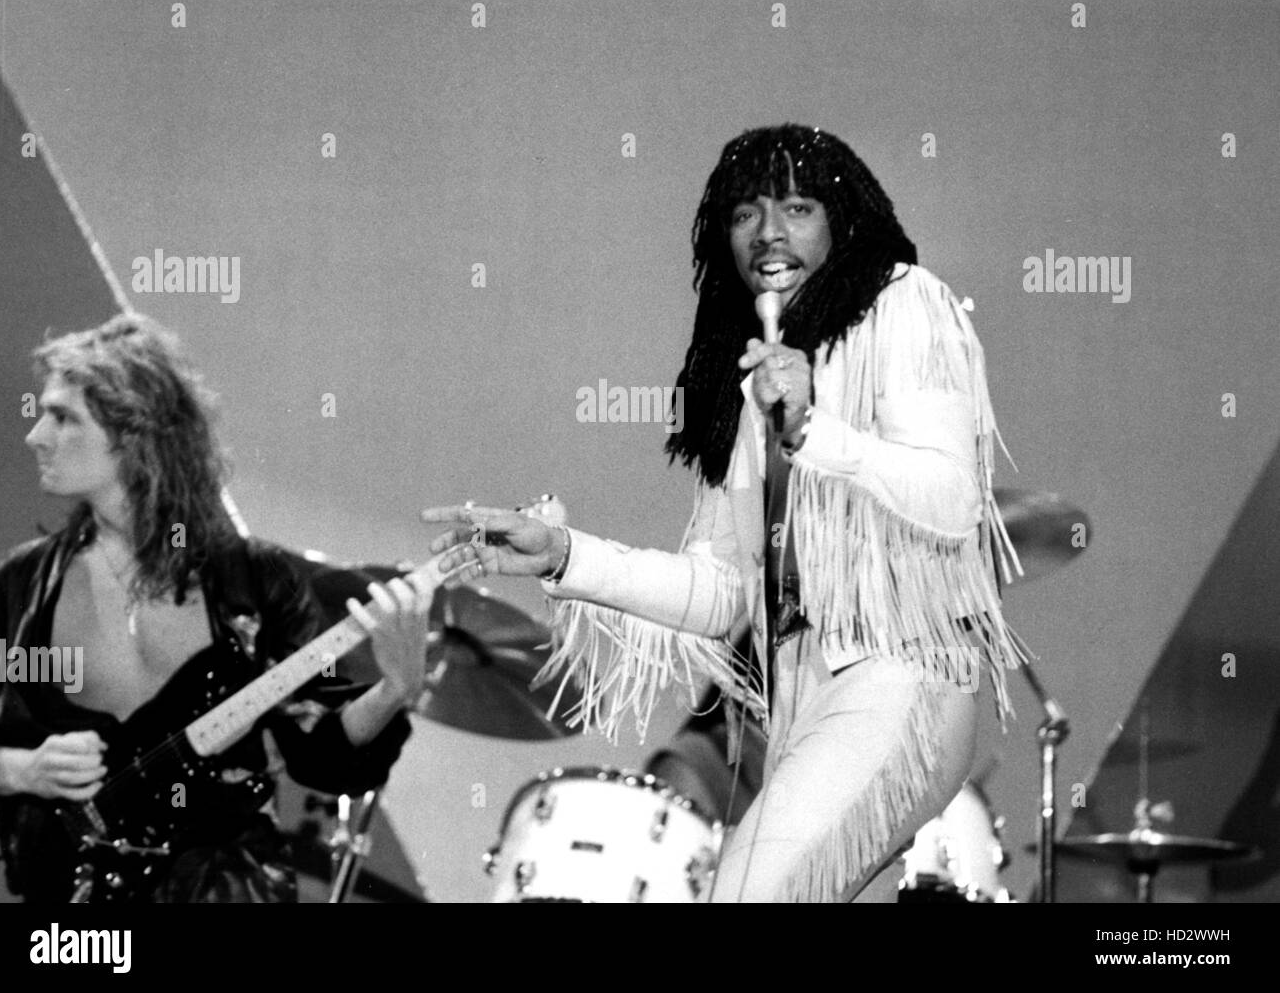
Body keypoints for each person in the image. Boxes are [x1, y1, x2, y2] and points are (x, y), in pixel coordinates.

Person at [423, 124, 1027, 902]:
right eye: (746, 214)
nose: (770, 232)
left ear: (843, 222)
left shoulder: (904, 303)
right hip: (803, 702)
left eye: (798, 207)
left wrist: (816, 432)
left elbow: (952, 502)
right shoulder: (749, 381)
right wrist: (565, 554)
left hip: (899, 678)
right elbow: (720, 592)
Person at [0, 314, 424, 902]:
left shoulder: (254, 584)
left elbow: (321, 755)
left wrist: (393, 689)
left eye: (64, 417)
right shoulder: (15, 588)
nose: (36, 436)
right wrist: (15, 769)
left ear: (134, 435)